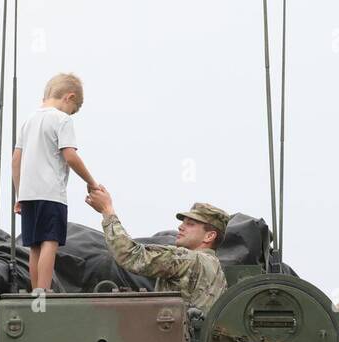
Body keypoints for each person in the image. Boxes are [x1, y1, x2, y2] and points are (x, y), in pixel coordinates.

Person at [12, 72, 101, 291]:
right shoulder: (62, 120)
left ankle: (35, 290)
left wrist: (19, 195)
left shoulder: (29, 120)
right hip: (51, 193)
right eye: (74, 109)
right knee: (50, 241)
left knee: (34, 245)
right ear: (69, 97)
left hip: (28, 193)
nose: (71, 113)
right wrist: (91, 182)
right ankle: (44, 291)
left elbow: (16, 160)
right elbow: (69, 156)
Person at [84, 189, 228, 312]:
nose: (180, 227)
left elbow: (130, 254)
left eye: (190, 224)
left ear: (209, 236)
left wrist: (107, 211)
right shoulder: (217, 271)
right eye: (183, 223)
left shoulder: (187, 259)